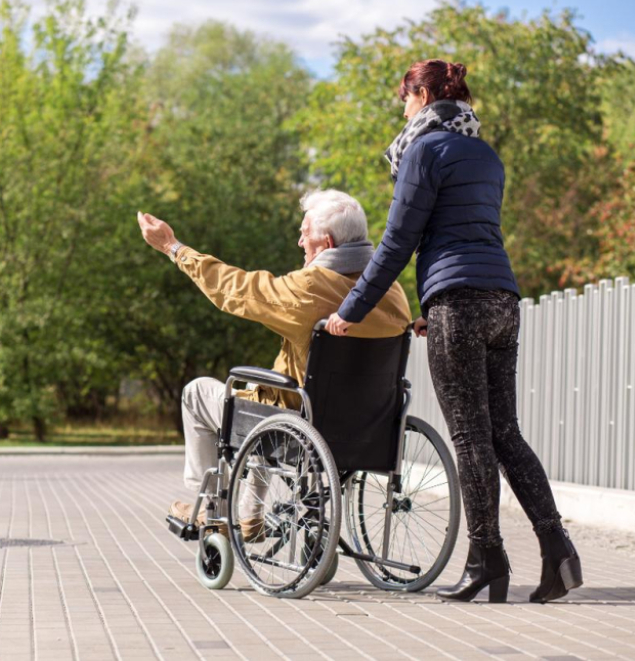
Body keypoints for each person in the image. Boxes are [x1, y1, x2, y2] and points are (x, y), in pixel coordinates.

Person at [325, 60, 582, 604]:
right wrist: (430, 308)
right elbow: (466, 233)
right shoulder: (487, 155)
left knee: (469, 436)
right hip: (501, 300)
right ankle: (558, 550)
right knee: (504, 433)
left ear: (421, 94)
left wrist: (351, 308)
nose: (401, 107)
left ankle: (486, 557)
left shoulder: (423, 150)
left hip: (458, 304)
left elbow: (399, 241)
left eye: (404, 97)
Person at [138, 189, 411, 541]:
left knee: (203, 394)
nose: (299, 241)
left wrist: (173, 248)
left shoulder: (307, 289)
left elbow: (233, 288)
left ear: (325, 242)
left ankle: (210, 508)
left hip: (303, 424)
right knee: (268, 397)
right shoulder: (392, 291)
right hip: (370, 428)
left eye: (304, 233)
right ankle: (250, 518)